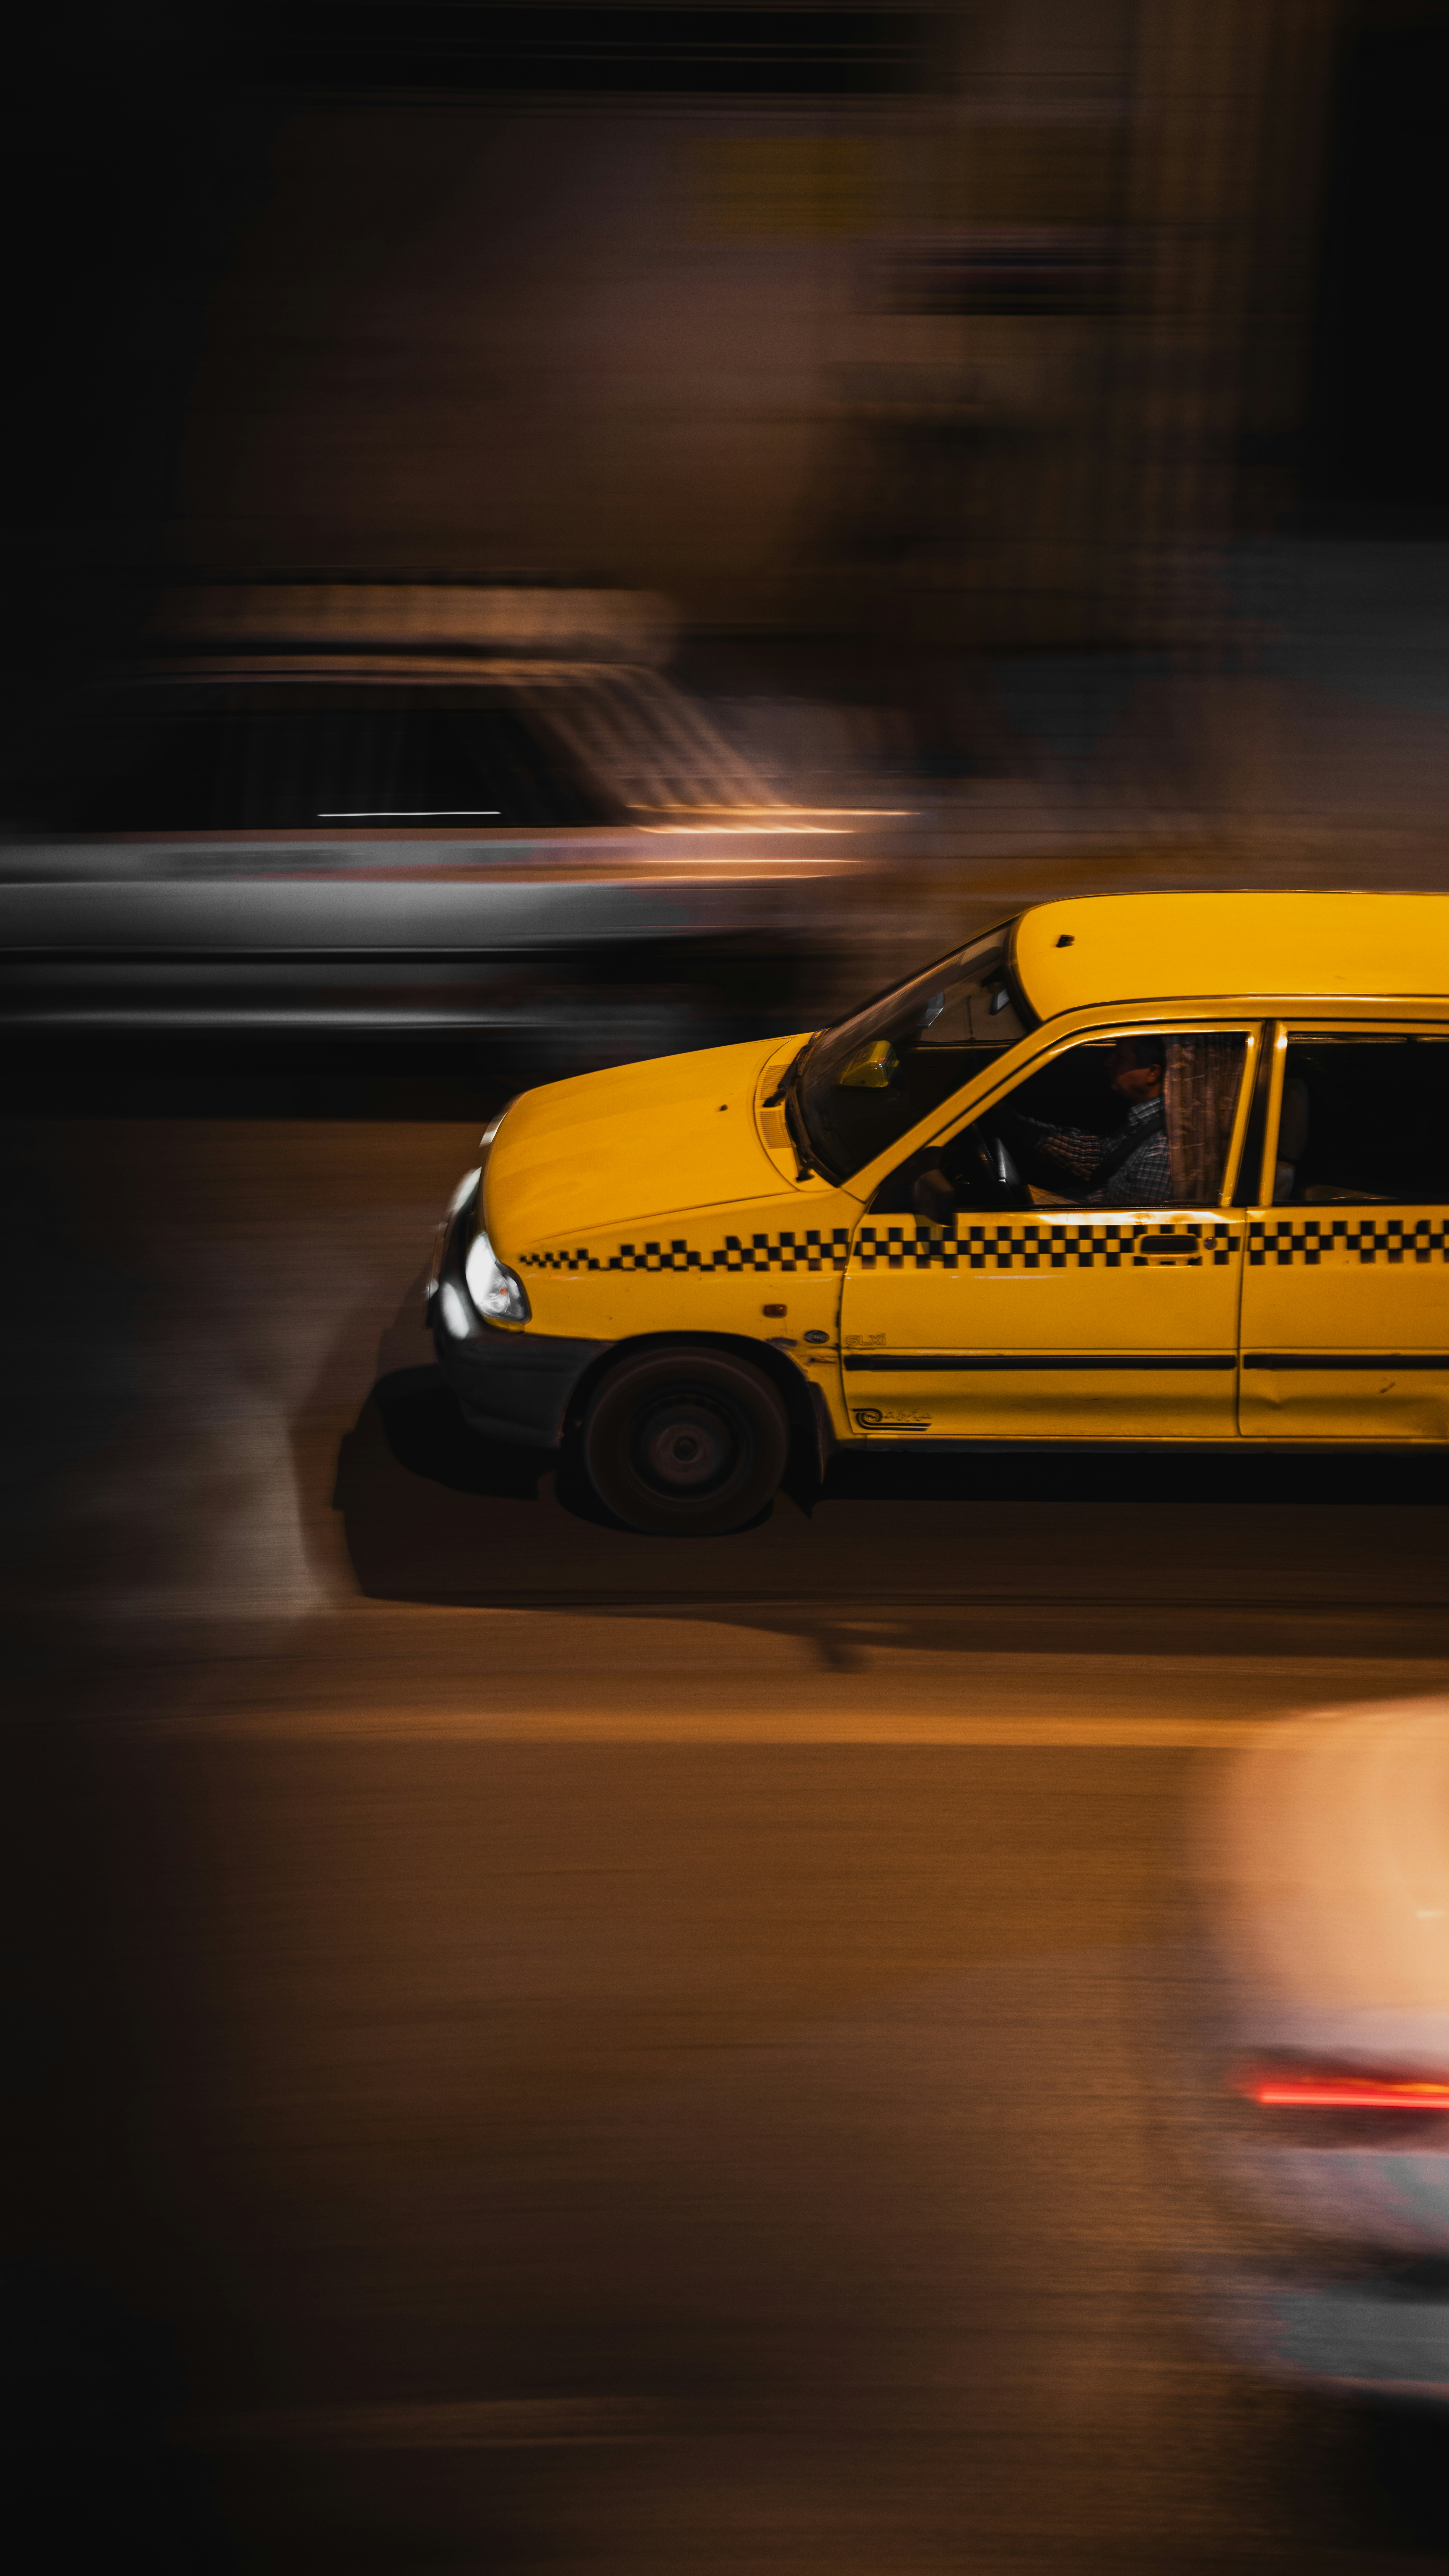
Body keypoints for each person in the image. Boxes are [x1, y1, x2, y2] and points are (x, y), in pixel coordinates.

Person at [1007, 1034, 1172, 1204]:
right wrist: (1019, 1126)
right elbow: (1100, 1155)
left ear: (1153, 1073)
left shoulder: (1163, 1143)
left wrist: (1063, 1203)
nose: (1108, 1061)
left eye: (1121, 1058)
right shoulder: (1145, 1123)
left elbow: (1134, 1215)